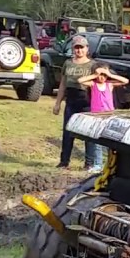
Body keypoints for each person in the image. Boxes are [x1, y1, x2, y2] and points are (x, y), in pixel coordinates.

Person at [52, 34, 103, 169]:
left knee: (88, 133)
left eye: (82, 48)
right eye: (76, 48)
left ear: (87, 49)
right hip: (71, 99)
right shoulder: (68, 63)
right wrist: (57, 103)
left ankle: (89, 163)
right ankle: (64, 162)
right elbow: (63, 83)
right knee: (68, 132)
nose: (79, 51)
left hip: (86, 100)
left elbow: (101, 82)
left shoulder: (93, 65)